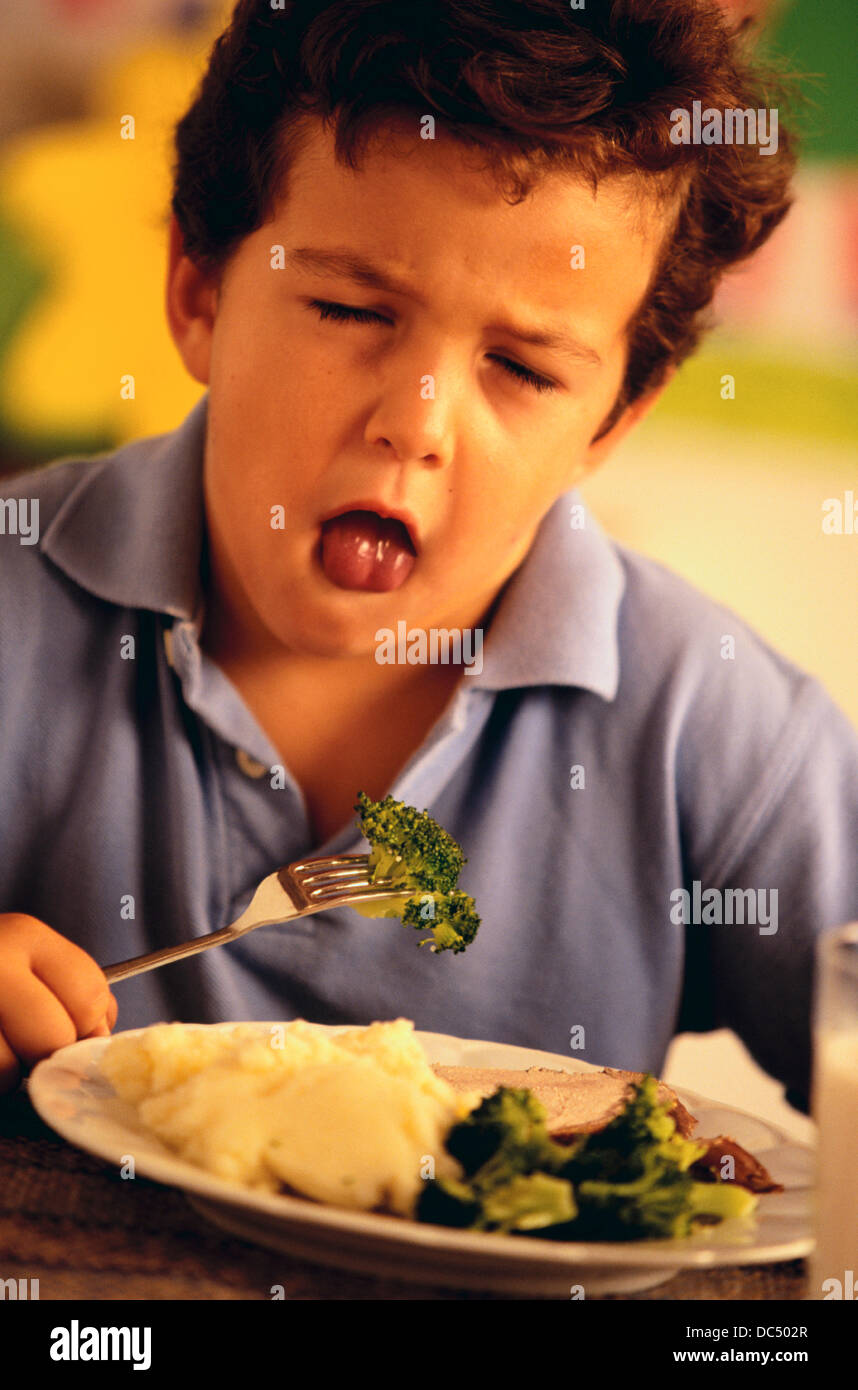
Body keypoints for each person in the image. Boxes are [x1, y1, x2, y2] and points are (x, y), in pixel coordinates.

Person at [1, 0, 855, 1110]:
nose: (419, 422)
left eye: (527, 368)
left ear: (613, 420)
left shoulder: (719, 731)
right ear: (199, 291)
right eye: (353, 310)